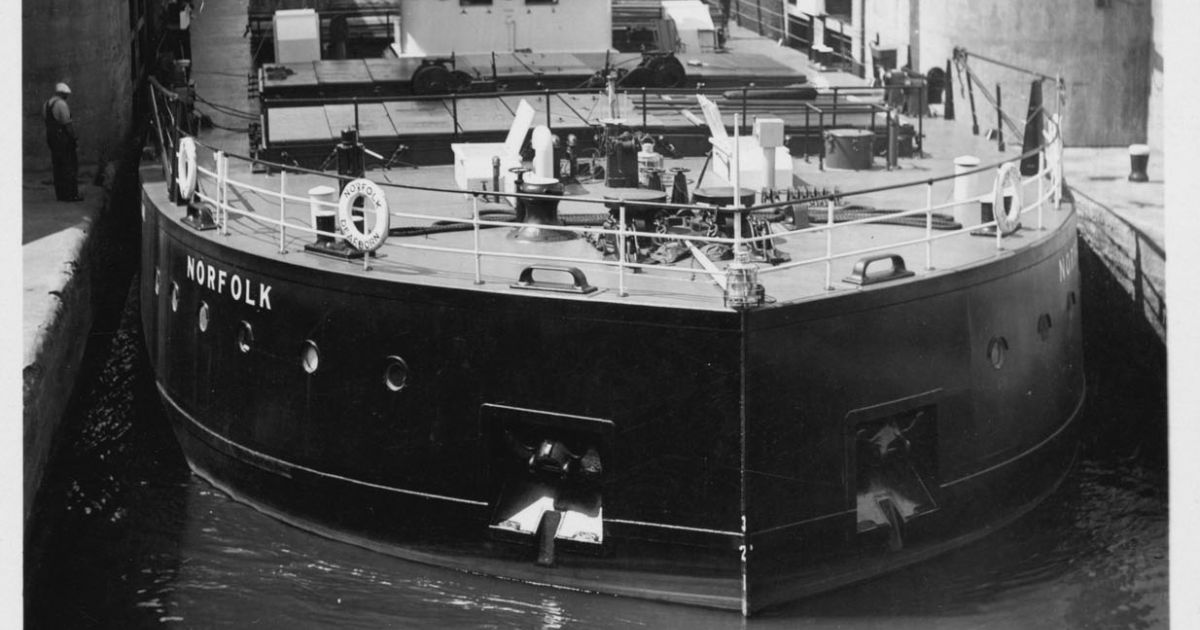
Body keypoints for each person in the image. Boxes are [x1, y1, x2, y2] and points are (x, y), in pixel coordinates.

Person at [44, 82, 82, 202]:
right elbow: (67, 125)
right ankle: (71, 195)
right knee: (70, 166)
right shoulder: (61, 104)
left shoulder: (46, 105)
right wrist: (74, 139)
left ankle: (60, 195)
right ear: (62, 94)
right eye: (66, 95)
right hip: (63, 140)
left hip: (52, 139)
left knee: (58, 167)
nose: (67, 97)